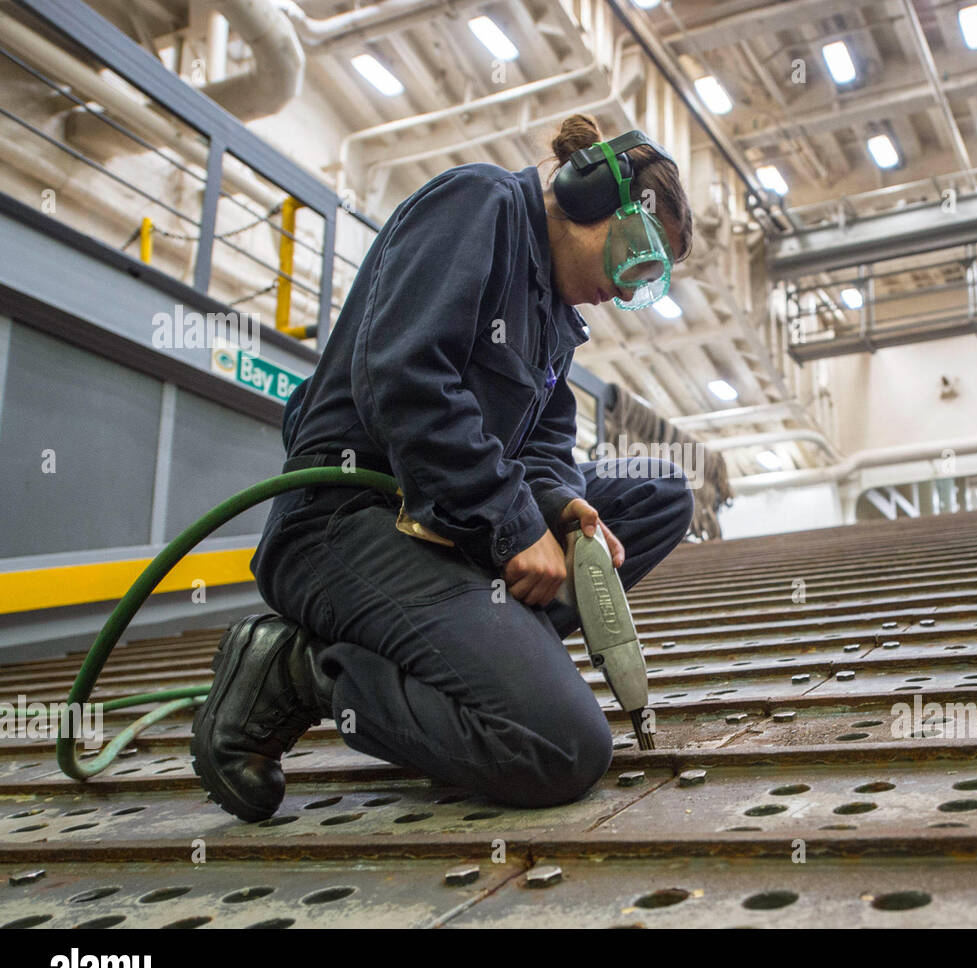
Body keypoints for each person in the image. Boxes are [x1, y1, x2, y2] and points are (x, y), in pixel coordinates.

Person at [191, 115, 696, 822]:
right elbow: (405, 377)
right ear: (589, 200)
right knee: (561, 750)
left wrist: (557, 506)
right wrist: (515, 524)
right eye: (638, 255)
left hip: (445, 528)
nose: (628, 285)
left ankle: (490, 651)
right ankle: (298, 669)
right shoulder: (477, 205)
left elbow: (546, 445)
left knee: (660, 493)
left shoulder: (555, 319)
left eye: (650, 277)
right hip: (346, 524)